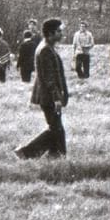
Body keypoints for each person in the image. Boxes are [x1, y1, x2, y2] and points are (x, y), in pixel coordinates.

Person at [16, 17, 69, 158]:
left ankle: (54, 156)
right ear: (50, 33)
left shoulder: (47, 47)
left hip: (48, 96)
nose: (61, 34)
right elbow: (49, 78)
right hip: (49, 97)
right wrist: (56, 98)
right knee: (56, 130)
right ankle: (26, 152)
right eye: (59, 31)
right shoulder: (45, 50)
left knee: (57, 130)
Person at [16, 21, 41, 86]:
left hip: (31, 58)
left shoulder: (38, 35)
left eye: (33, 25)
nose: (31, 26)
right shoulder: (26, 34)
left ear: (35, 26)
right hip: (29, 58)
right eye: (30, 25)